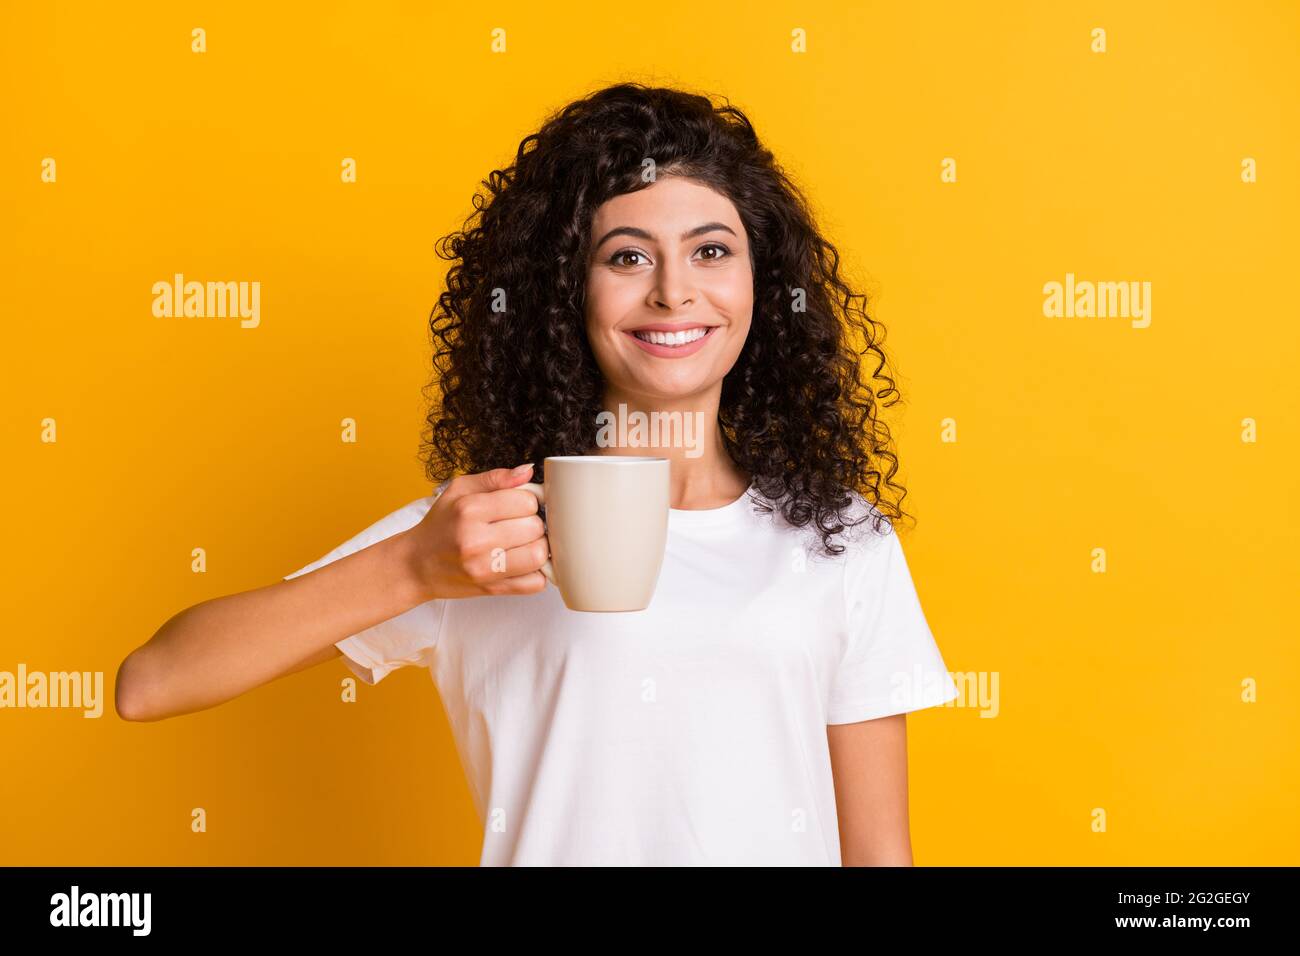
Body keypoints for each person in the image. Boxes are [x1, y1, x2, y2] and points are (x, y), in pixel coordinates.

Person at [116, 82, 960, 866]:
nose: (674, 292)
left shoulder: (839, 540)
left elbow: (880, 857)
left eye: (711, 250)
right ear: (566, 291)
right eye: (627, 258)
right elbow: (152, 684)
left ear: (760, 285)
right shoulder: (480, 533)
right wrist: (412, 567)